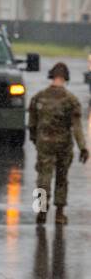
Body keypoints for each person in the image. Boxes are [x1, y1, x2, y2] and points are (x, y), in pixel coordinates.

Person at [28, 61, 88, 226]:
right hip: (63, 145)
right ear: (66, 77)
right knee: (62, 178)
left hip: (44, 144)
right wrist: (83, 147)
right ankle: (59, 215)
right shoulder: (71, 100)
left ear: (51, 76)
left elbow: (32, 124)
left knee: (43, 177)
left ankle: (41, 211)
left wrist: (36, 140)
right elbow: (77, 127)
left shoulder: (38, 97)